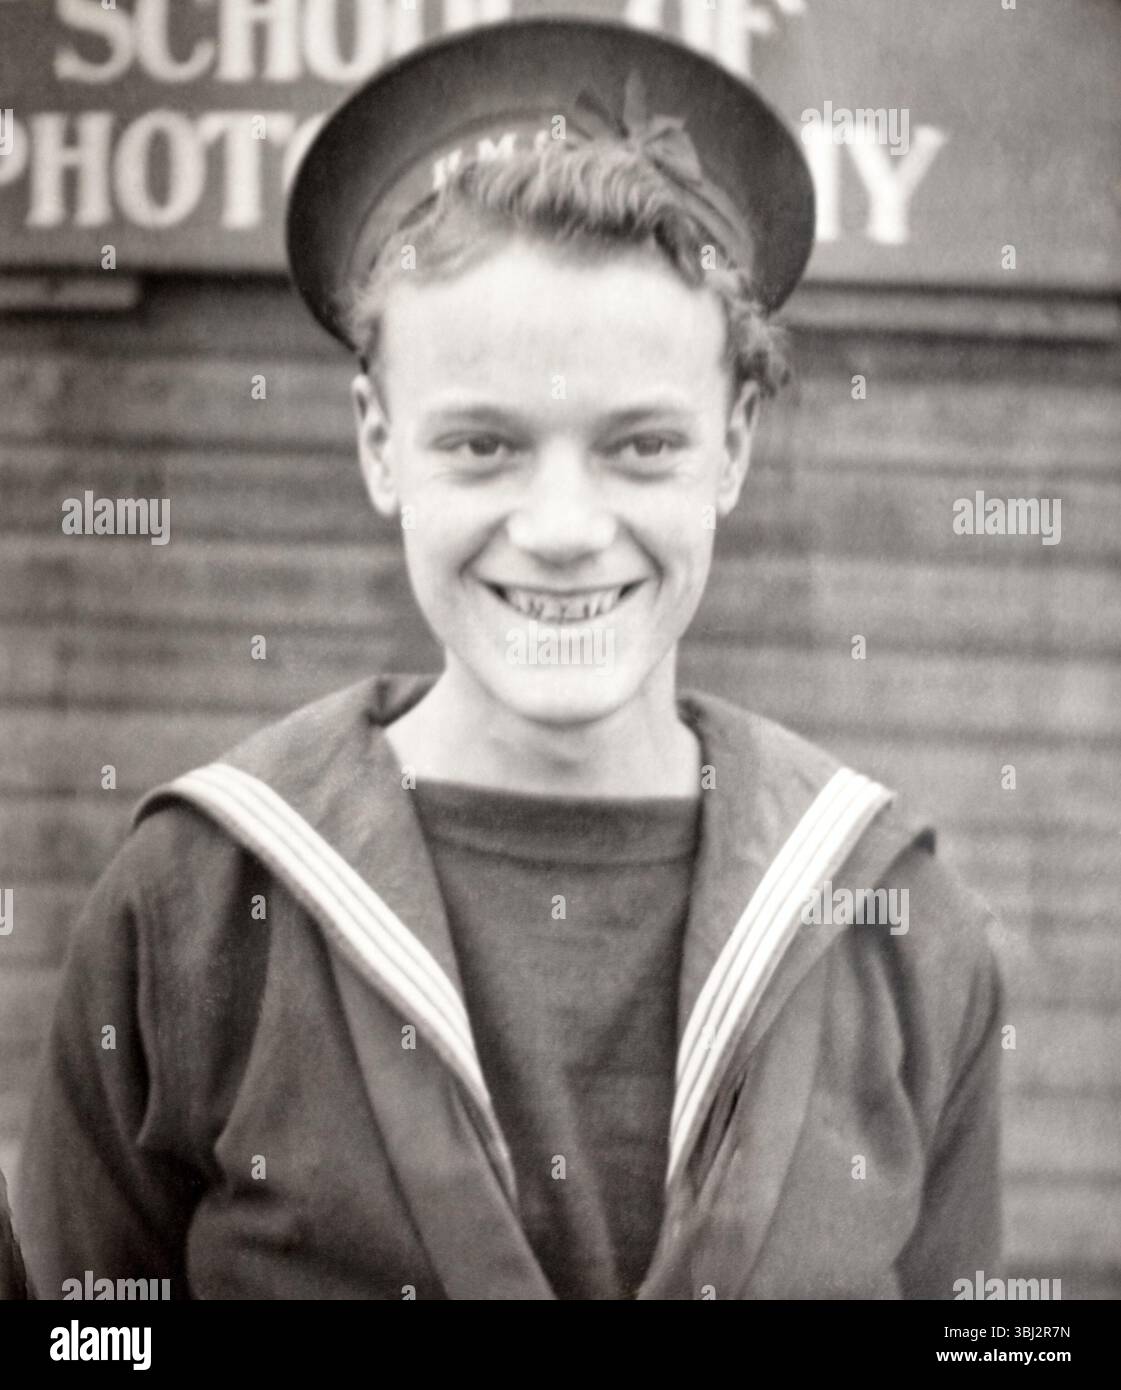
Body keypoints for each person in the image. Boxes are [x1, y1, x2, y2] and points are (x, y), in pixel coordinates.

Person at [15, 17, 1002, 1300]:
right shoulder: (195, 905)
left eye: (640, 445)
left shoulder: (898, 925)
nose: (559, 533)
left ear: (735, 444)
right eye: (481, 444)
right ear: (378, 442)